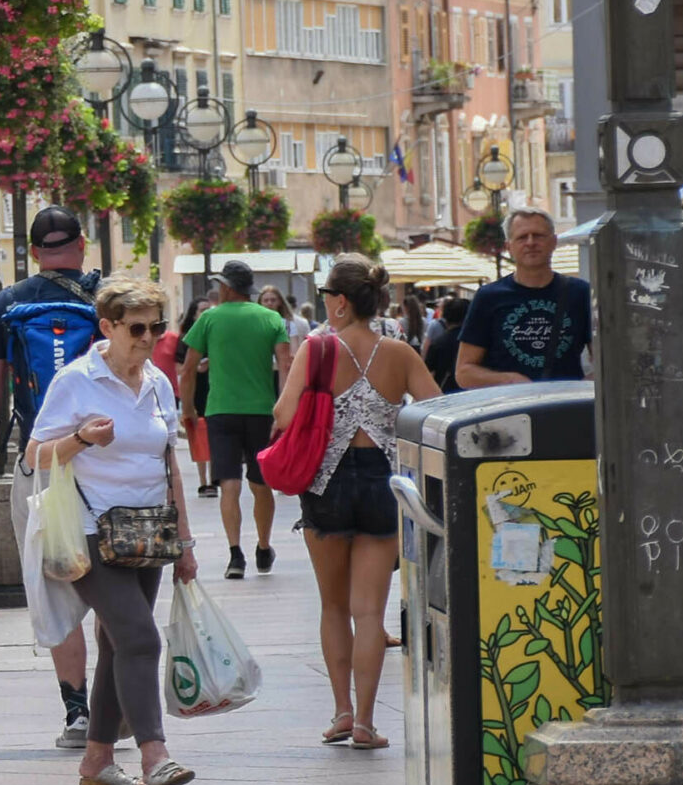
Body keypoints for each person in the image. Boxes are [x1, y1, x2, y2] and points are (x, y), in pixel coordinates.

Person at [25, 276, 198, 785]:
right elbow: (34, 454)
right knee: (140, 639)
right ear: (108, 327)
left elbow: (169, 462)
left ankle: (97, 761)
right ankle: (155, 756)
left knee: (118, 645)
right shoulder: (76, 381)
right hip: (90, 533)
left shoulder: (158, 383)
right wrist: (80, 439)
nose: (148, 338)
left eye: (157, 327)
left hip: (148, 533)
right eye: (137, 328)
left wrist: (185, 542)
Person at [276, 256, 441, 751]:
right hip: (381, 482)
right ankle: (367, 722)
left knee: (332, 605)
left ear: (341, 301)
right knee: (370, 612)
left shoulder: (317, 348)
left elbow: (283, 415)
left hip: (326, 481)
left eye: (328, 294)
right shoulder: (400, 352)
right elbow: (435, 412)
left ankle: (341, 712)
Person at [0, 203, 99, 749]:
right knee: (116, 581)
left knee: (55, 582)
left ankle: (77, 711)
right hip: (105, 460)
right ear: (82, 243)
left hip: (41, 463)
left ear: (34, 252)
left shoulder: (10, 303)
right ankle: (118, 704)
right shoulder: (105, 297)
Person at [181, 260, 291, 579]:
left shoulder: (209, 318)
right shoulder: (271, 318)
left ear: (228, 287)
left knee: (229, 484)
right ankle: (263, 545)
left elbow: (188, 369)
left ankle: (235, 555)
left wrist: (188, 409)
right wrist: (282, 409)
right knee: (261, 484)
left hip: (220, 411)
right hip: (261, 412)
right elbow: (286, 365)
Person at [455, 208, 591, 388]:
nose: (531, 242)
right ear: (508, 247)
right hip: (507, 408)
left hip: (565, 407)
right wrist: (509, 380)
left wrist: (581, 389)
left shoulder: (581, 293)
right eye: (522, 237)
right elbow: (464, 372)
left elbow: (607, 361)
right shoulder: (488, 297)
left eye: (538, 235)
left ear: (554, 242)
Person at [423, 295, 470, 394]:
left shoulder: (439, 342)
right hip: (472, 393)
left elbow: (428, 372)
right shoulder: (474, 342)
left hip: (445, 395)